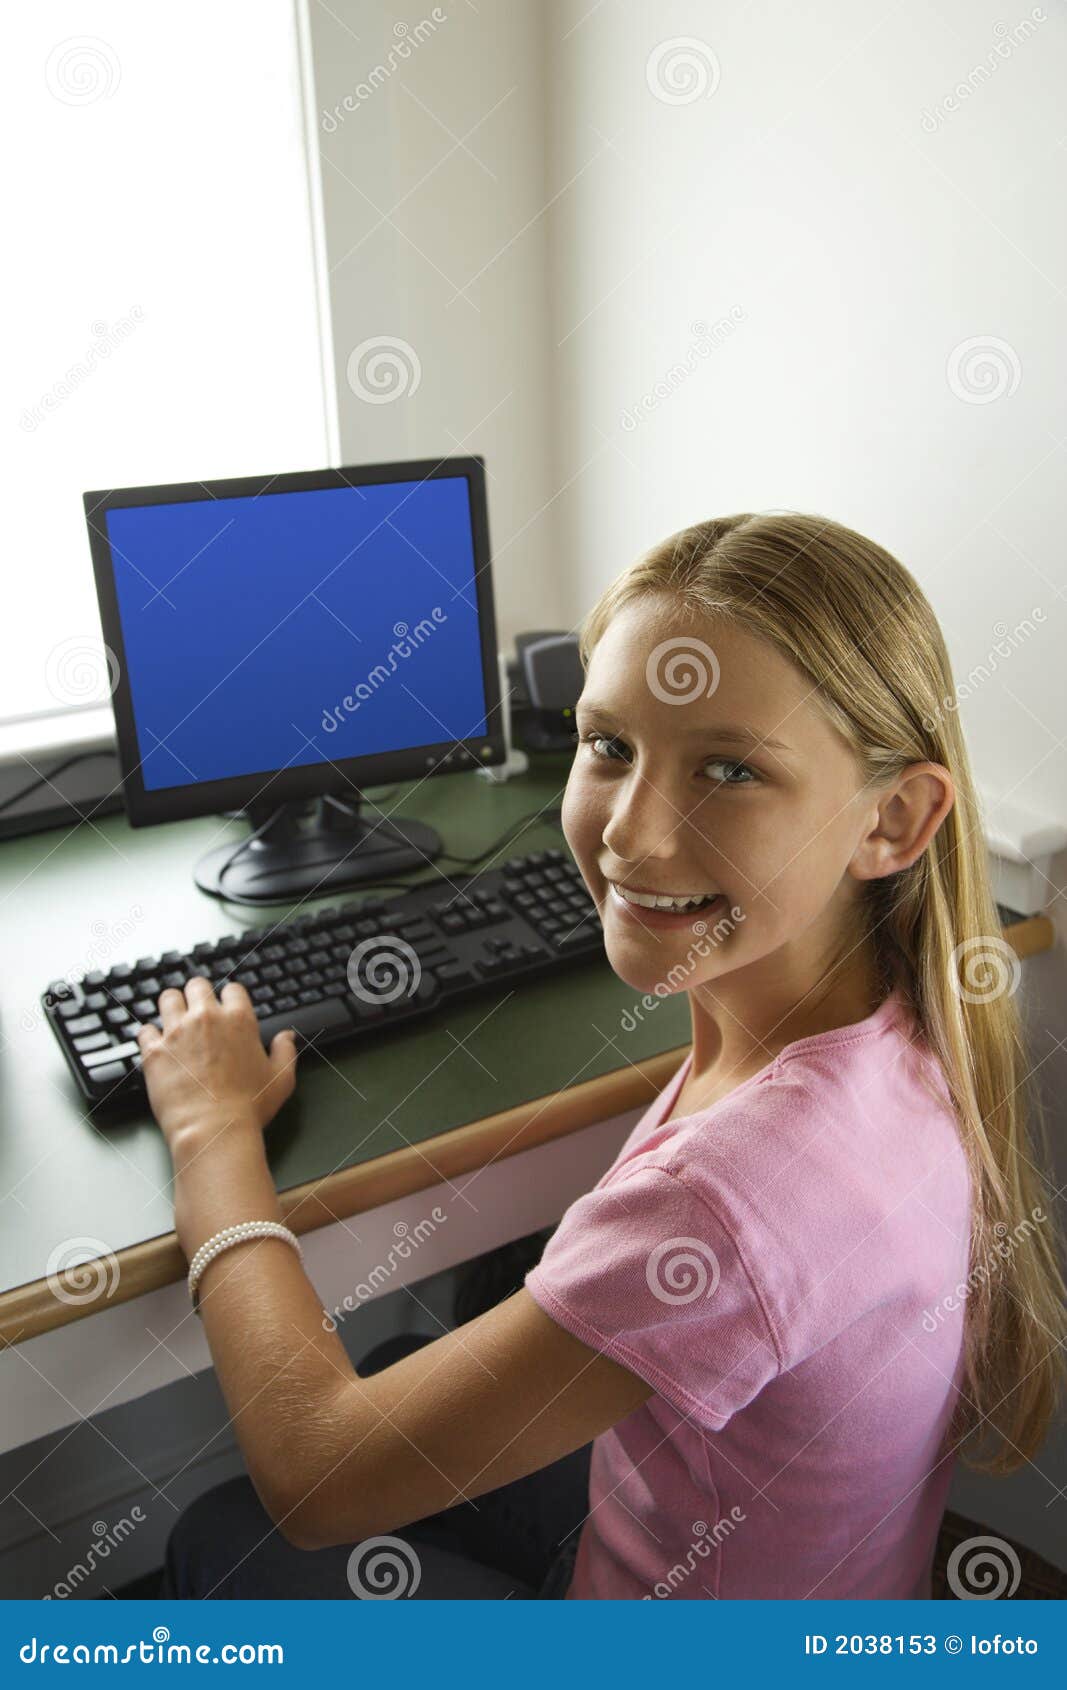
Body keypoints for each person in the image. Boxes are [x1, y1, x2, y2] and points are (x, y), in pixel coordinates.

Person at [152, 512, 1065, 1600]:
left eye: (727, 767)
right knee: (403, 1363)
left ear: (893, 819)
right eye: (609, 745)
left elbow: (319, 1477)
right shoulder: (908, 1019)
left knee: (230, 1531)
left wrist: (212, 1136)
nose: (631, 834)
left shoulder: (725, 1197)